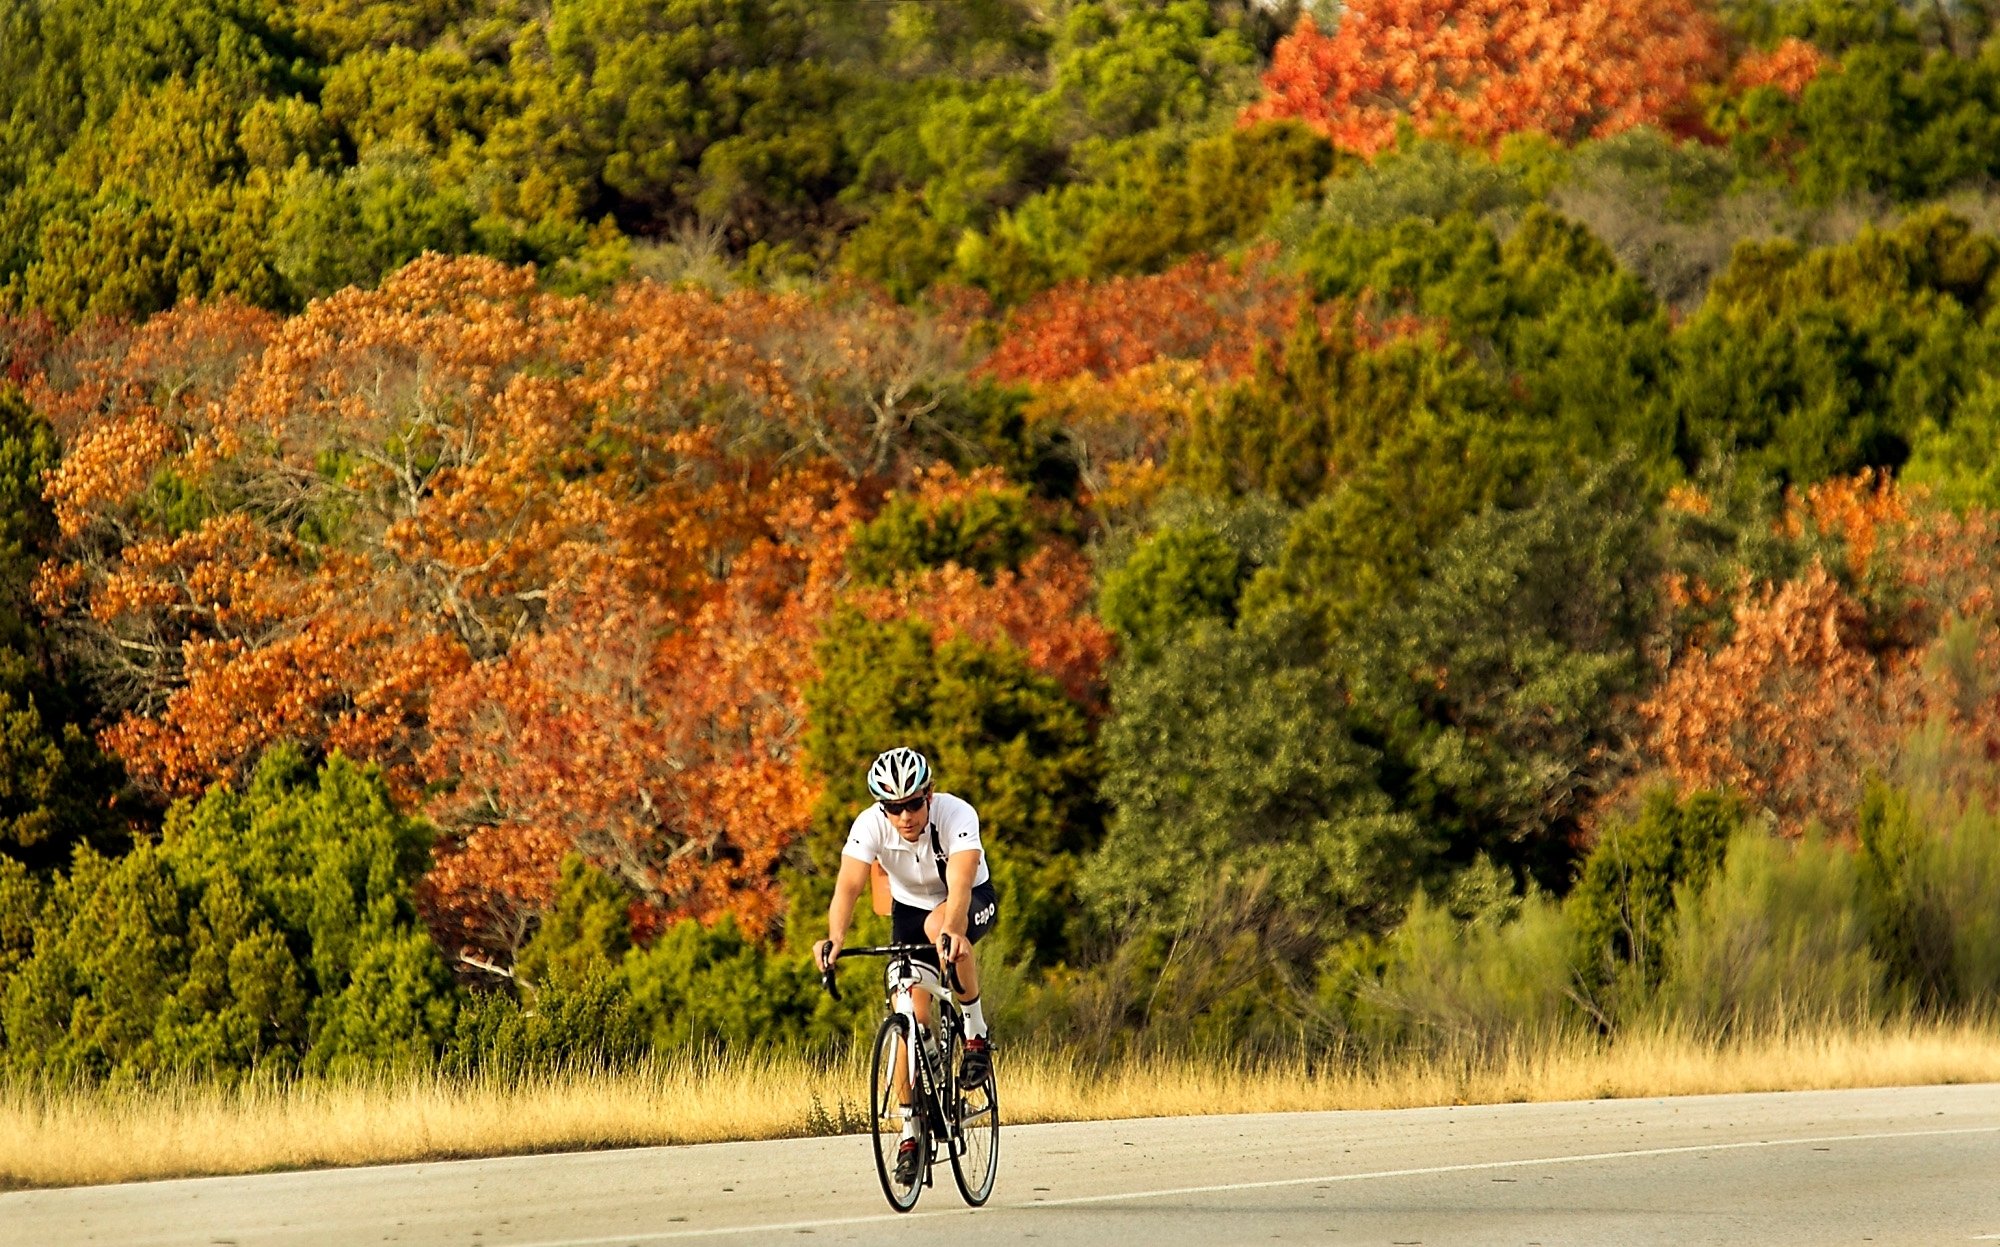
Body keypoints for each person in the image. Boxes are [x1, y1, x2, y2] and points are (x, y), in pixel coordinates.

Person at [815, 746, 998, 1185]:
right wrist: (835, 939)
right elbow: (848, 888)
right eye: (893, 808)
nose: (904, 817)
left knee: (943, 927)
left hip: (967, 900)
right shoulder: (869, 826)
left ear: (929, 796)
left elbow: (959, 884)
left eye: (913, 804)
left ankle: (975, 1033)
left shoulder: (957, 815)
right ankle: (910, 1133)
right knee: (907, 1020)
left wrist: (952, 930)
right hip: (909, 912)